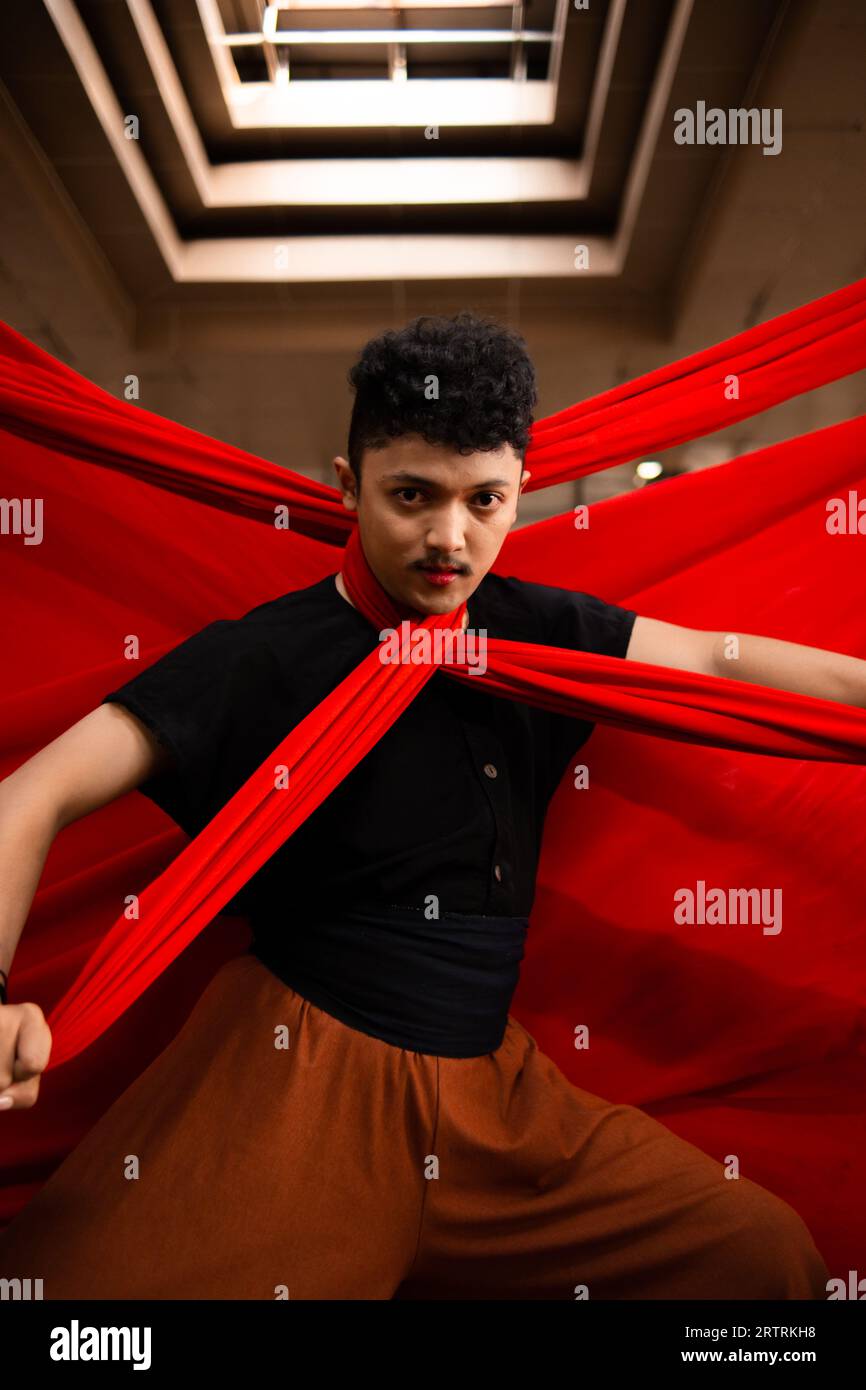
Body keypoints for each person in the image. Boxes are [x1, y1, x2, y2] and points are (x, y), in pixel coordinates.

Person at [1, 311, 857, 1300]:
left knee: (755, 1259)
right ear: (345, 484)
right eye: (411, 496)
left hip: (497, 1102)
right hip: (294, 1084)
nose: (449, 539)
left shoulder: (538, 631)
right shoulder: (264, 658)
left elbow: (717, 660)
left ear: (518, 493)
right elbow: (36, 790)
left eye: (482, 500)